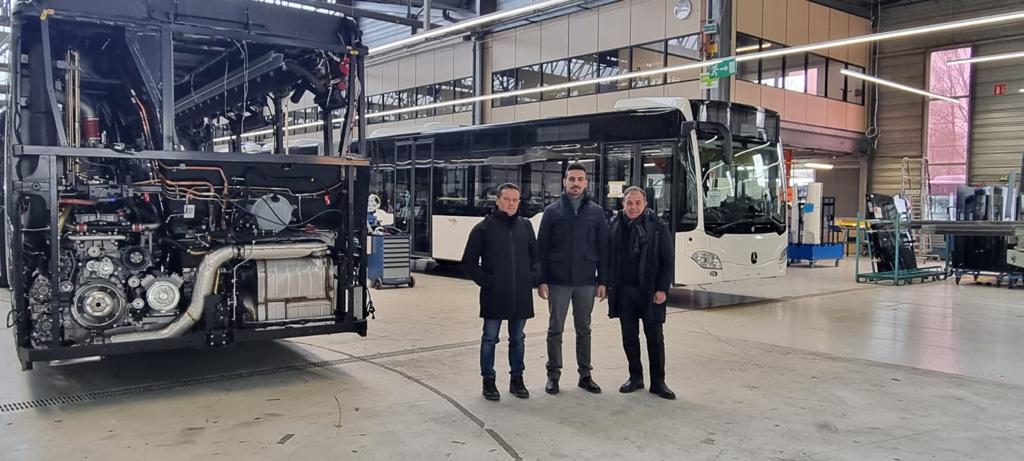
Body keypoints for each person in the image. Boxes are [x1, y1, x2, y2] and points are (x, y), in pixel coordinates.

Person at [462, 183, 540, 401]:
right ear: (497, 200)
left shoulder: (525, 226)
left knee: (518, 338)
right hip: (494, 294)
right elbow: (468, 261)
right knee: (489, 339)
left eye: (515, 200)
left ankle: (517, 379)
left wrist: (532, 278)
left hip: (521, 295)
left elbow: (536, 257)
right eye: (507, 199)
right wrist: (487, 282)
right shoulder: (483, 228)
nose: (512, 203)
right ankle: (488, 381)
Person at [537, 163, 608, 395]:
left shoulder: (596, 212)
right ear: (564, 182)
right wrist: (541, 279)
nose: (576, 183)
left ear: (586, 183)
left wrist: (603, 280)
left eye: (580, 179)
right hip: (558, 281)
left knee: (584, 329)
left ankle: (585, 375)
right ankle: (553, 375)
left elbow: (603, 248)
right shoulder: (552, 212)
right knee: (555, 329)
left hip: (586, 281)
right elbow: (542, 248)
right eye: (571, 179)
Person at [606, 186, 676, 400]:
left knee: (655, 338)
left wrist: (662, 289)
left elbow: (667, 260)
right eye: (629, 203)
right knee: (629, 337)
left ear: (645, 204)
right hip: (624, 291)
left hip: (651, 292)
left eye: (637, 203)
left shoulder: (657, 227)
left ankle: (658, 382)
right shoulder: (614, 225)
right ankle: (635, 377)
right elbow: (608, 257)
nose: (633, 207)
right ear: (623, 204)